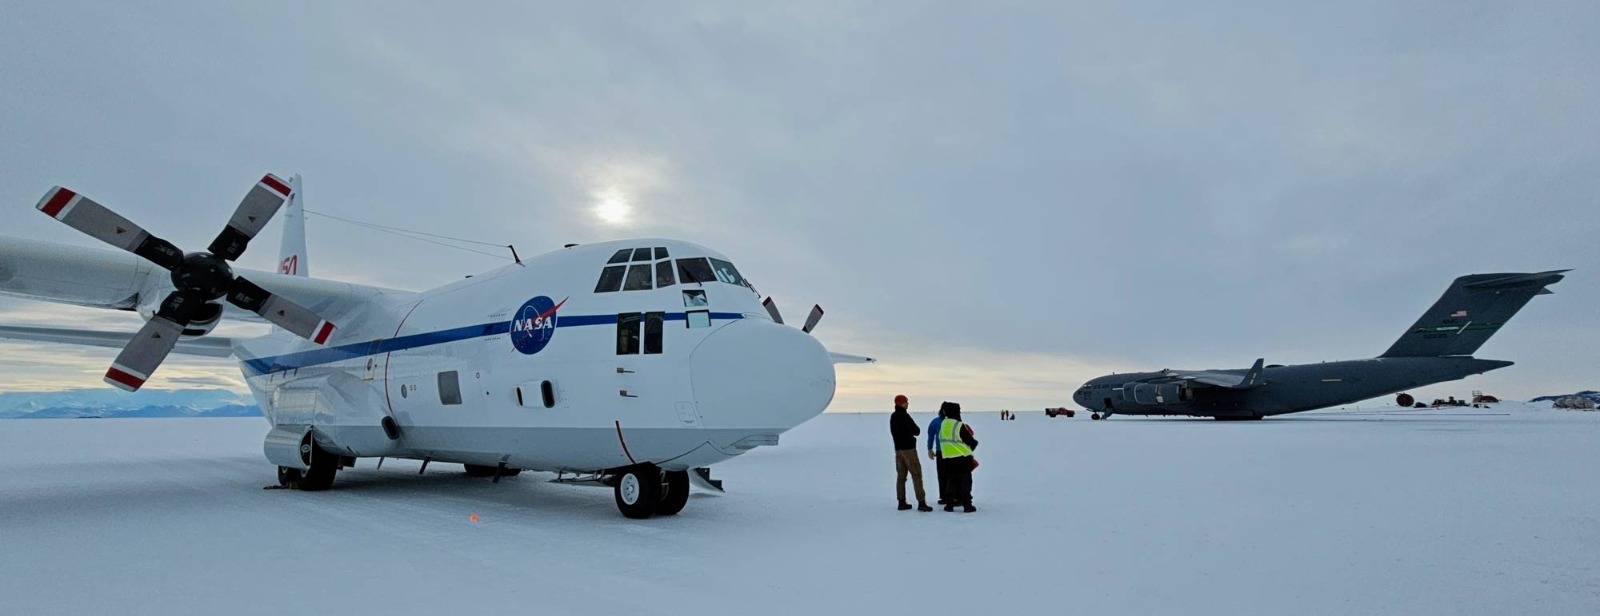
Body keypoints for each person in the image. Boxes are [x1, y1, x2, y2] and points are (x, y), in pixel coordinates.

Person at [889, 395, 933, 512]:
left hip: (898, 450)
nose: (908, 404)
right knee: (916, 474)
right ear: (902, 403)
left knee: (901, 476)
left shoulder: (893, 416)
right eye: (906, 402)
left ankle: (901, 502)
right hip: (909, 450)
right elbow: (916, 430)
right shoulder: (905, 416)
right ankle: (921, 502)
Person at [936, 402, 979, 512]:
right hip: (962, 458)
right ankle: (967, 505)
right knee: (965, 482)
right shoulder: (958, 425)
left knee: (951, 482)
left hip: (947, 458)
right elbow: (970, 441)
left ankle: (949, 505)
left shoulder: (944, 424)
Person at [927, 405, 947, 506]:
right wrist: (929, 448)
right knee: (942, 475)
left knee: (951, 475)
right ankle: (944, 496)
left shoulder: (953, 421)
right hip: (941, 452)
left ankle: (953, 496)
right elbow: (930, 435)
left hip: (952, 452)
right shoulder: (936, 422)